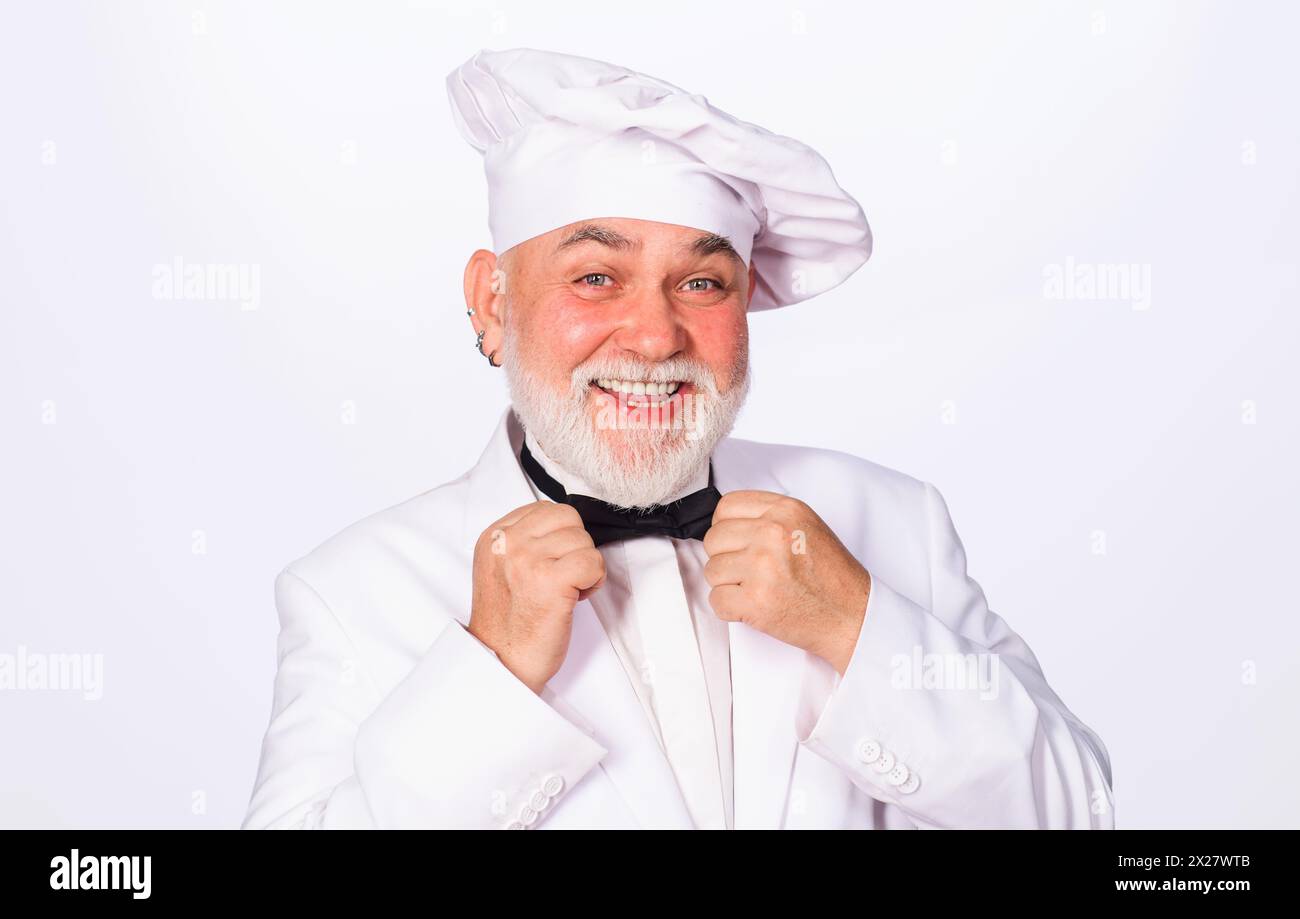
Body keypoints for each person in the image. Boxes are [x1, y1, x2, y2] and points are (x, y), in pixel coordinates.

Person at [242, 48, 1114, 830]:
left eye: (701, 282)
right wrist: (489, 670)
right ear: (493, 302)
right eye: (596, 277)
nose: (656, 337)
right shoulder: (350, 593)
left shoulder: (894, 522)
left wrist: (858, 626)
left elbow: (1082, 817)